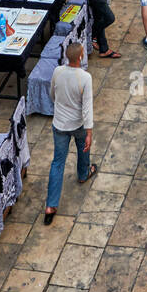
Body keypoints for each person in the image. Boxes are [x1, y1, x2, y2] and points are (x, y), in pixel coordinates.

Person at [44, 41, 97, 224]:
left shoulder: (57, 72)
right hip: (78, 124)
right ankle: (83, 173)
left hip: (59, 124)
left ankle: (51, 205)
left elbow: (52, 94)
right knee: (83, 147)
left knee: (58, 162)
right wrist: (89, 131)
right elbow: (87, 108)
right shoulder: (85, 78)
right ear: (81, 56)